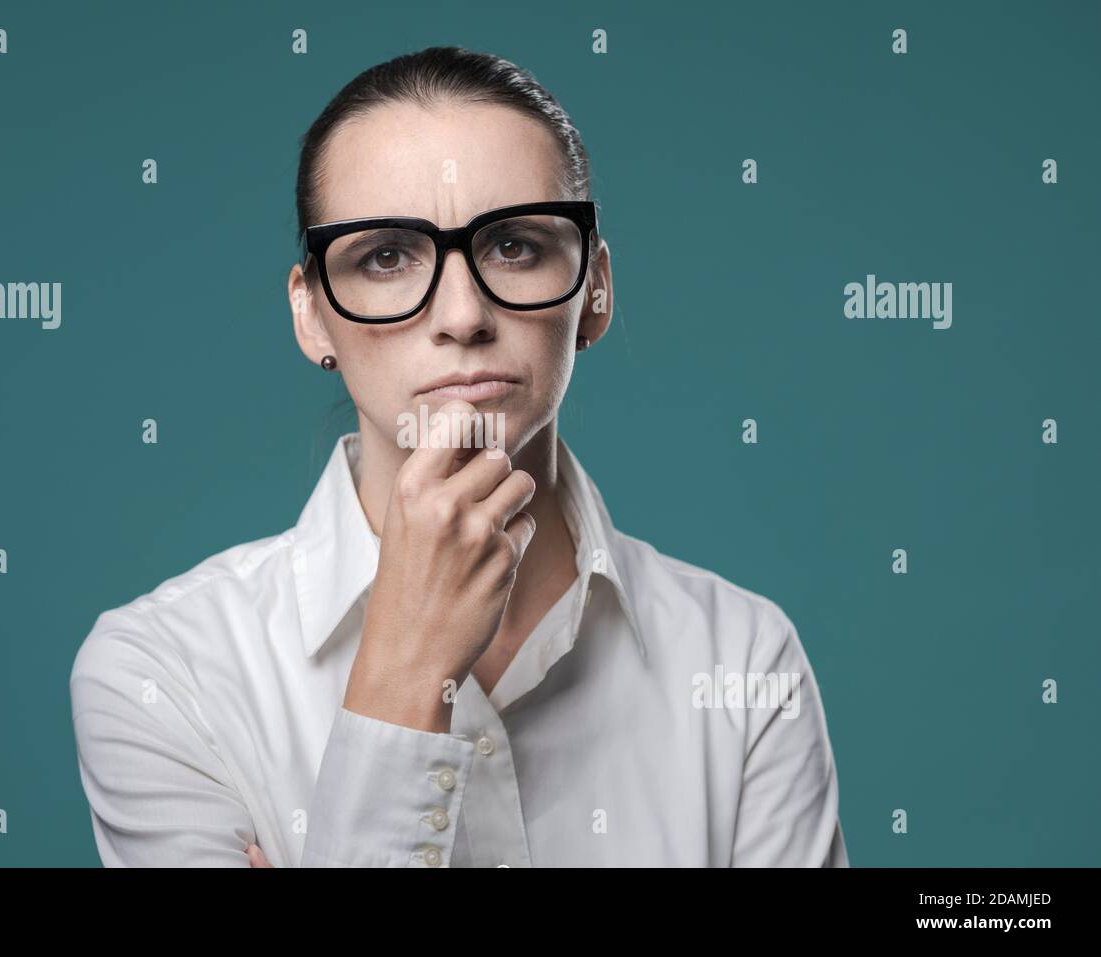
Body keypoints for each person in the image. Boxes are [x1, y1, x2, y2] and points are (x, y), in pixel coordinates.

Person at [69, 45, 848, 867]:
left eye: (514, 245)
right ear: (312, 318)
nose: (463, 314)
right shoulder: (158, 673)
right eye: (385, 256)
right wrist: (407, 671)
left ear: (595, 288)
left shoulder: (743, 658)